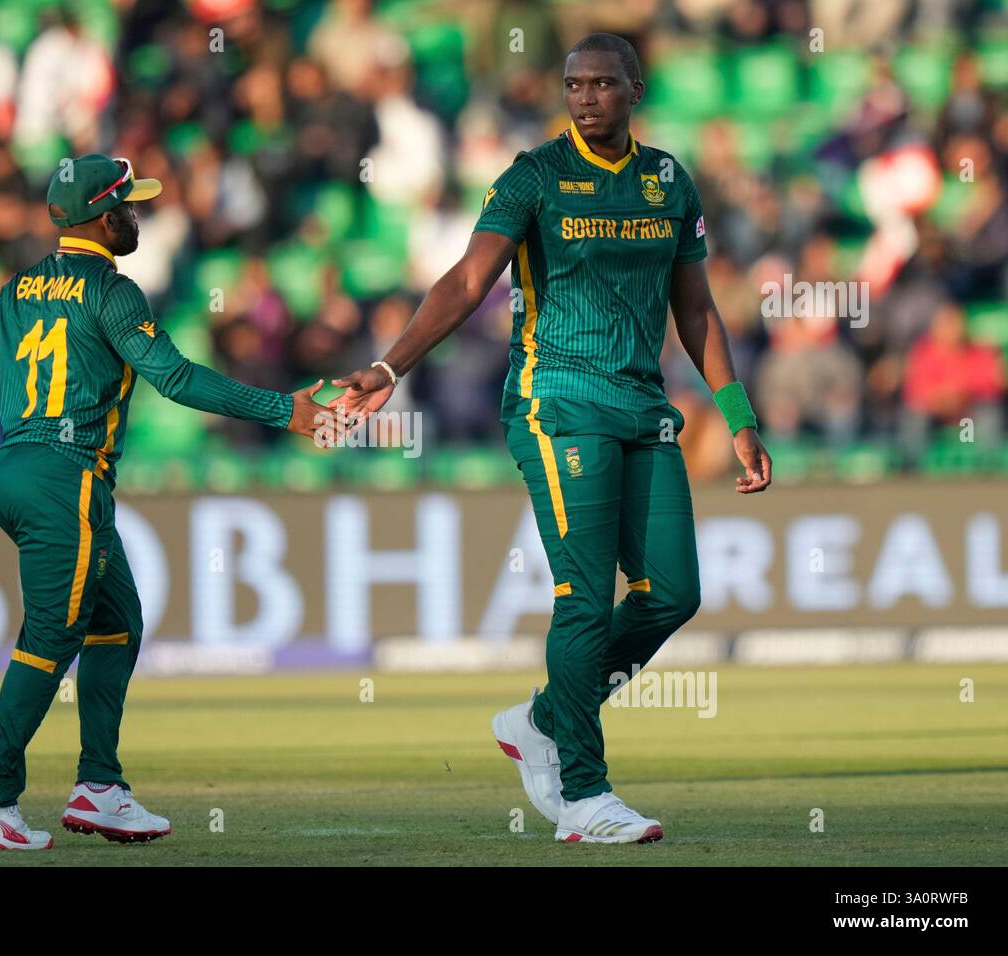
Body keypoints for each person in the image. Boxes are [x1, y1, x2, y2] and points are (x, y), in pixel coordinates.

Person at [330, 35, 772, 845]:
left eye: (604, 82)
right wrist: (387, 368)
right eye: (574, 84)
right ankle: (584, 794)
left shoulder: (668, 180)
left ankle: (540, 718)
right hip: (555, 401)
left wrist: (738, 414)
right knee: (583, 592)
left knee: (673, 594)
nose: (586, 96)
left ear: (635, 88)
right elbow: (468, 280)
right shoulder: (534, 175)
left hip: (642, 405)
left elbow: (697, 309)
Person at [0, 154, 330, 850]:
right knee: (53, 634)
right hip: (68, 477)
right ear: (100, 216)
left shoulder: (20, 287)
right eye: (126, 203)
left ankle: (100, 787)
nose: (135, 213)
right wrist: (284, 410)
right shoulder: (113, 292)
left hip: (18, 470)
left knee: (118, 620)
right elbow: (175, 380)